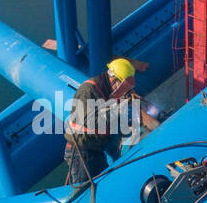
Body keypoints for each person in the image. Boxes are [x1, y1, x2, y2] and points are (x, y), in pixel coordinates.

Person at [63, 57, 159, 185]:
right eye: (124, 87)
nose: (124, 92)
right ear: (114, 80)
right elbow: (89, 121)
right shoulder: (88, 91)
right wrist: (118, 109)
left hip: (96, 152)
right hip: (81, 154)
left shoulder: (107, 92)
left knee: (105, 186)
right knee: (83, 196)